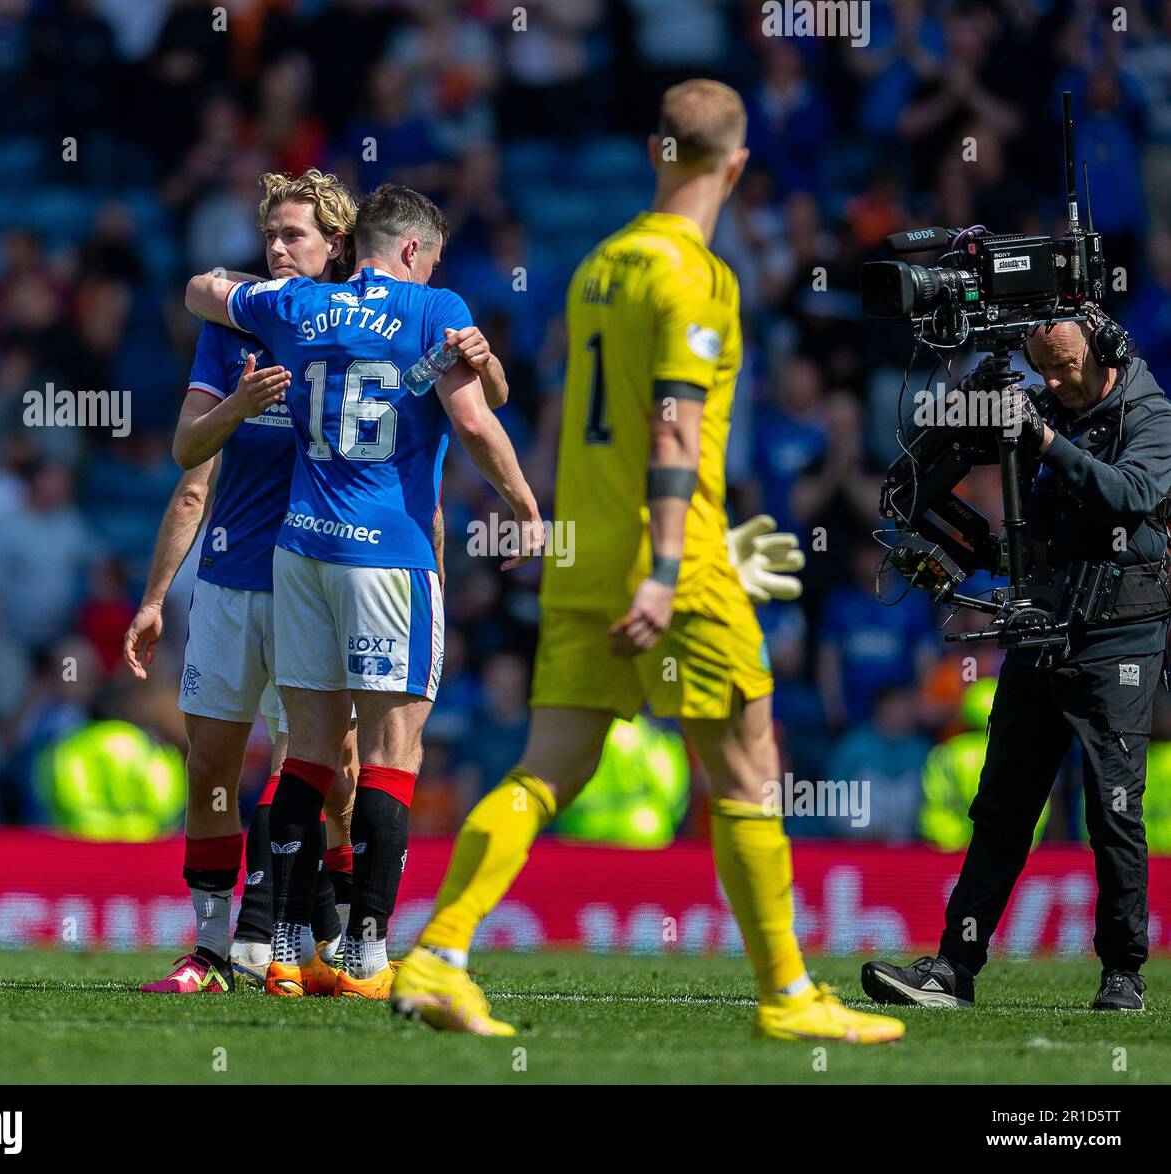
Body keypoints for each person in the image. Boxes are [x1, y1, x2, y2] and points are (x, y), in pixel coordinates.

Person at [390, 79, 904, 1044]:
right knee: (749, 770)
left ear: (655, 151)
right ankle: (789, 994)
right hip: (674, 563)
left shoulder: (599, 267)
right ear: (738, 167)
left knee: (548, 769)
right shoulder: (697, 276)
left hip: (584, 559)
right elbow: (674, 431)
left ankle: (437, 954)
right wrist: (670, 566)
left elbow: (570, 418)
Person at [184, 183, 540, 1000]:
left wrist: (233, 288)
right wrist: (524, 503)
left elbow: (206, 288)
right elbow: (477, 425)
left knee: (304, 756)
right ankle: (366, 955)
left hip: (299, 551)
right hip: (387, 556)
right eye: (435, 259)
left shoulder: (301, 304)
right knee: (388, 760)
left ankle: (279, 950)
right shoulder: (431, 307)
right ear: (413, 250)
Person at [863, 314, 1171, 1012]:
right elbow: (916, 461)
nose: (1055, 383)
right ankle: (953, 969)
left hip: (1119, 636)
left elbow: (1130, 495)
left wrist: (1041, 438)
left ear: (1107, 352)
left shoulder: (1151, 417)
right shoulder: (1036, 402)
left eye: (1066, 368)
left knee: (1114, 811)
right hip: (1041, 626)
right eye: (1044, 370)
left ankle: (1123, 975)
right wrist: (975, 396)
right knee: (1001, 809)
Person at [128, 168, 359, 994]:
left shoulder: (356, 330)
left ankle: (328, 932)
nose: (278, 249)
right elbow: (191, 464)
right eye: (271, 235)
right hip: (229, 583)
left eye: (295, 235)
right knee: (210, 768)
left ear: (336, 245)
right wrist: (156, 598)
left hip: (321, 583)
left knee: (332, 777)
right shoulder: (234, 329)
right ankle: (216, 950)